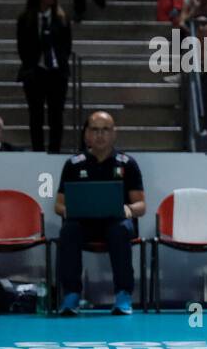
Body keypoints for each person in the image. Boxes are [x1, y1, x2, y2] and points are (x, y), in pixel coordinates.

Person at [54, 112, 145, 315]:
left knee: (121, 229)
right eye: (95, 130)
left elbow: (141, 205)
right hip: (84, 224)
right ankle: (71, 295)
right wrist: (69, 209)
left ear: (114, 134)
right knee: (69, 231)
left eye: (105, 130)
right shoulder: (74, 164)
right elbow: (58, 206)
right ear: (86, 134)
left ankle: (123, 295)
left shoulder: (127, 163)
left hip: (115, 223)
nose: (100, 135)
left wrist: (129, 208)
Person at [16, 0, 73, 153]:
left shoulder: (61, 19)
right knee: (36, 116)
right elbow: (22, 46)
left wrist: (60, 65)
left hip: (56, 72)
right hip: (36, 72)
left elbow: (66, 46)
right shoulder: (26, 18)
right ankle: (38, 151)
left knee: (56, 116)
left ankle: (55, 151)